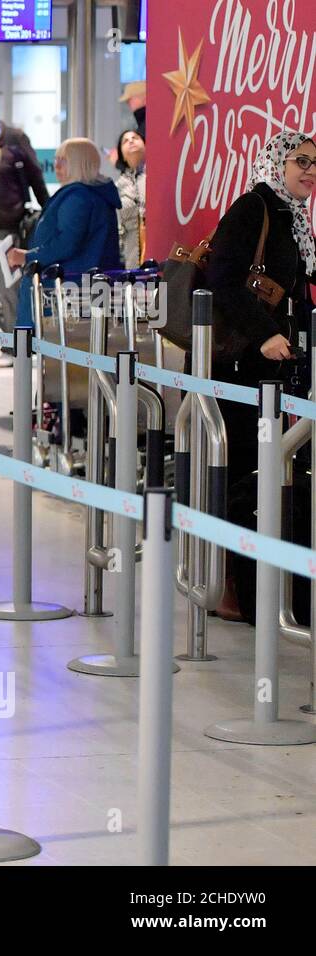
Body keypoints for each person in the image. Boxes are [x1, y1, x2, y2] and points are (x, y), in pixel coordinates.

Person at [204, 132, 316, 620]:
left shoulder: (295, 219)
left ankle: (270, 586)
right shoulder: (254, 207)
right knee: (244, 469)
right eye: (301, 160)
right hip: (242, 363)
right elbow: (222, 280)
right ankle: (230, 584)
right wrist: (265, 333)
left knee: (275, 470)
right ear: (276, 162)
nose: (310, 170)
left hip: (278, 365)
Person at [0, 90, 50, 367]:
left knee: (8, 289)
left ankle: (17, 347)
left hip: (8, 228)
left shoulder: (14, 138)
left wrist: (49, 212)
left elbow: (36, 176)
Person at [8, 138, 121, 327]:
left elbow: (66, 244)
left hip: (66, 290)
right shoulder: (91, 195)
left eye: (63, 160)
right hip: (78, 289)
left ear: (79, 163)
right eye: (56, 159)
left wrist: (28, 257)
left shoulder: (78, 197)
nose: (56, 165)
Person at [114, 129, 147, 269]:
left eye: (135, 137)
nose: (131, 141)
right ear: (121, 154)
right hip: (131, 253)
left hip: (159, 246)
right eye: (125, 141)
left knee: (161, 289)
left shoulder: (157, 175)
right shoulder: (118, 186)